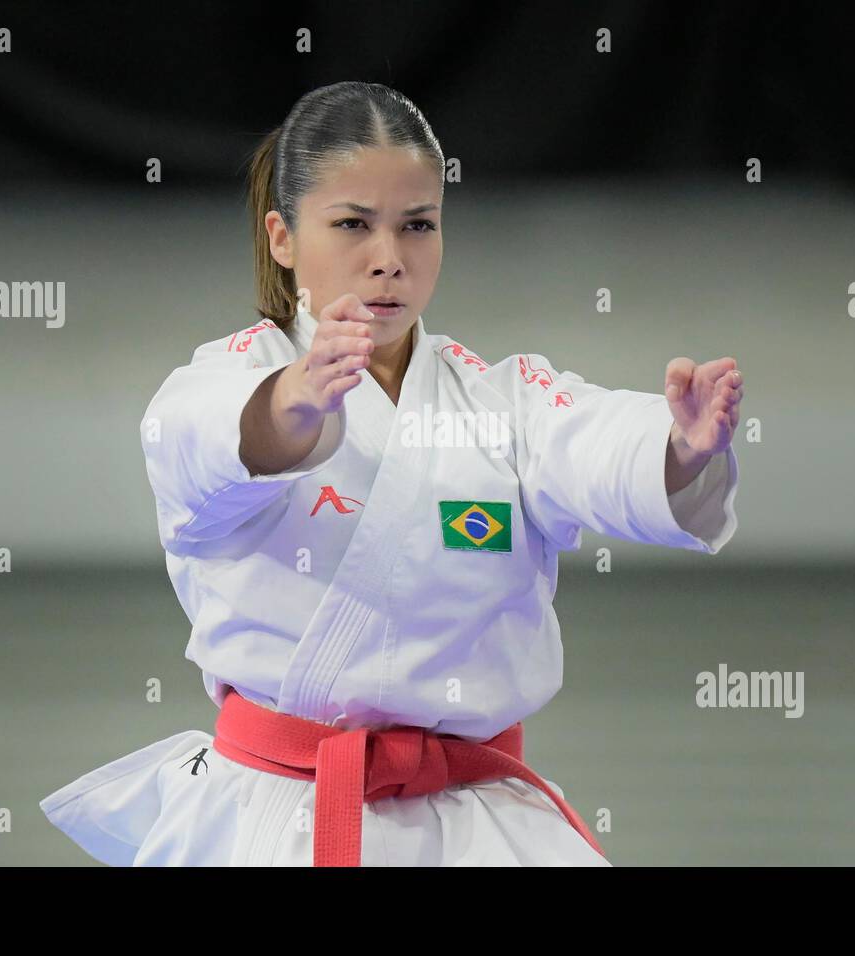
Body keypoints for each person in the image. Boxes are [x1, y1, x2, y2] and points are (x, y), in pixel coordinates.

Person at [39, 80, 743, 866]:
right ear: (282, 236)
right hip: (279, 814)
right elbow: (205, 443)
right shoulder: (221, 381)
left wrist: (679, 447)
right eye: (351, 226)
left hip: (482, 822)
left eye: (418, 226)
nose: (389, 261)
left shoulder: (499, 398)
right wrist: (293, 406)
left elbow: (593, 440)